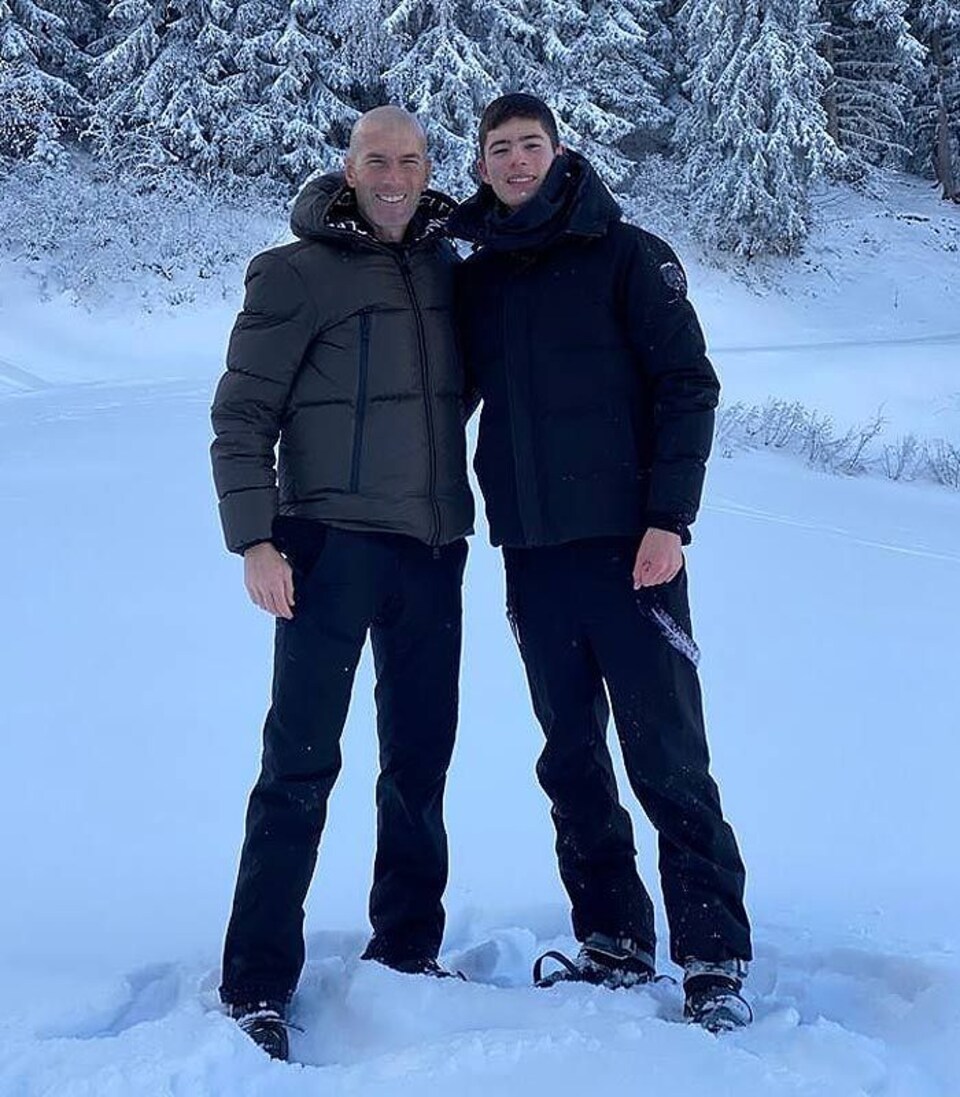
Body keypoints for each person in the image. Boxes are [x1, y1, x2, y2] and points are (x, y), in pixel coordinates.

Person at [448, 94, 753, 1032]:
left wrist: (670, 520)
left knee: (667, 755)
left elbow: (688, 385)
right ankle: (614, 938)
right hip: (534, 555)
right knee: (572, 757)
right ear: (483, 165)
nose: (515, 162)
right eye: (498, 149)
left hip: (635, 554)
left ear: (559, 150)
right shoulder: (481, 277)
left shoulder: (629, 255)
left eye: (530, 145)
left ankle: (712, 958)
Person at [210, 106, 474, 1060]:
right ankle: (256, 980)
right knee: (299, 767)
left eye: (408, 159)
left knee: (420, 759)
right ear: (349, 167)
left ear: (427, 165)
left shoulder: (451, 268)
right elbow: (242, 413)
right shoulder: (294, 272)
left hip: (434, 550)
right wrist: (256, 538)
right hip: (325, 549)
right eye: (376, 159)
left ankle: (406, 947)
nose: (394, 175)